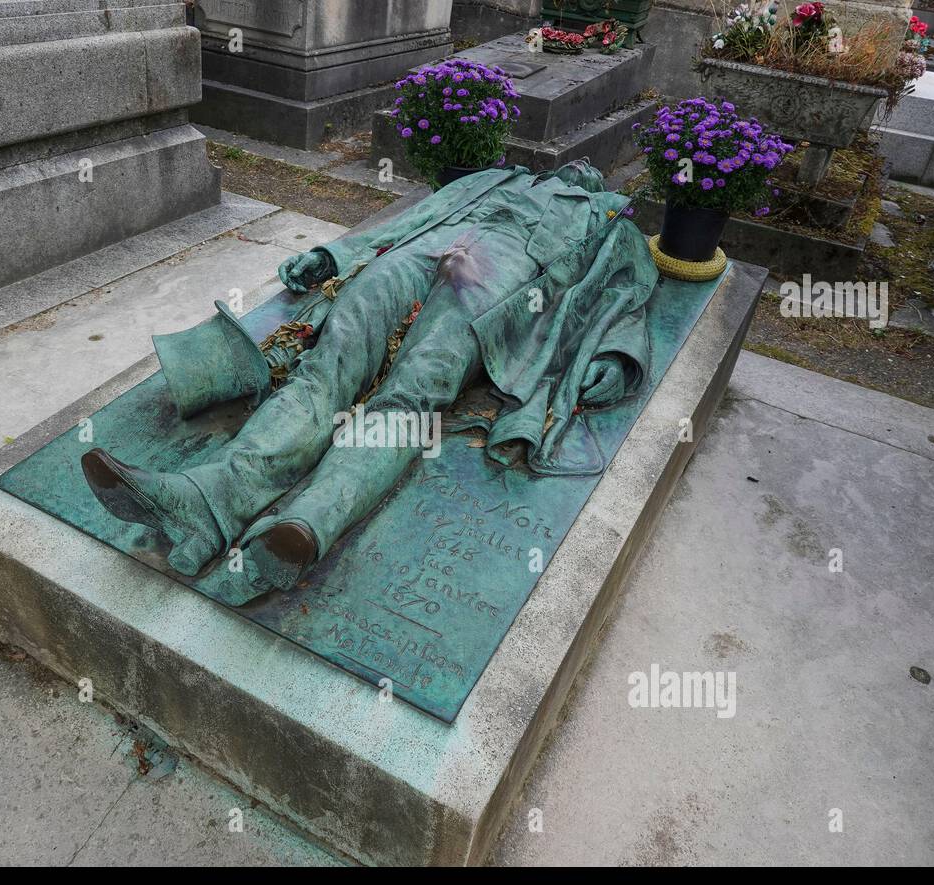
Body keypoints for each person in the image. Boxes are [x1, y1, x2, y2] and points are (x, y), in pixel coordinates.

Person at [81, 159, 658, 595]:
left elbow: (627, 295)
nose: (579, 170)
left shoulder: (612, 223)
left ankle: (307, 525)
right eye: (572, 164)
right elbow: (417, 218)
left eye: (589, 171)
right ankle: (206, 503)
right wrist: (335, 255)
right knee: (327, 366)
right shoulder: (498, 177)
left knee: (410, 396)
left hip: (504, 285)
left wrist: (614, 355)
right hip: (428, 251)